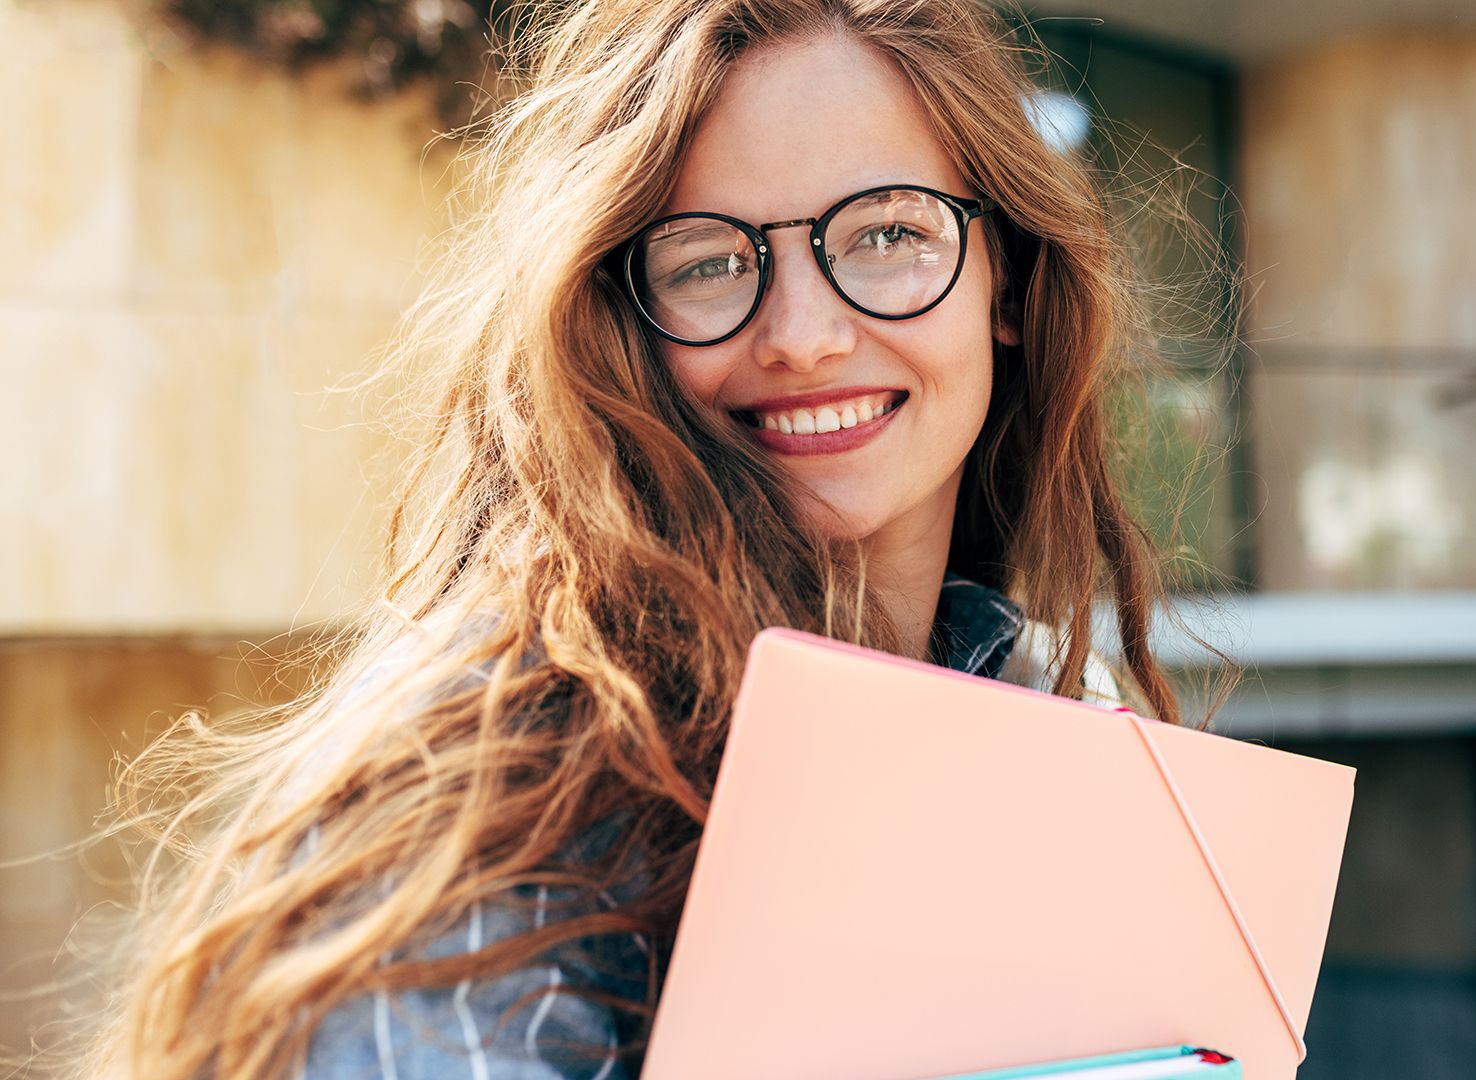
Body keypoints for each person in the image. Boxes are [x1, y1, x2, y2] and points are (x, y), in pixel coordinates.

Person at [83, 0, 1211, 1076]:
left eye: (886, 235)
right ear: (619, 320)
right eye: (710, 260)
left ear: (1005, 281)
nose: (805, 337)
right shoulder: (508, 790)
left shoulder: (1048, 702)